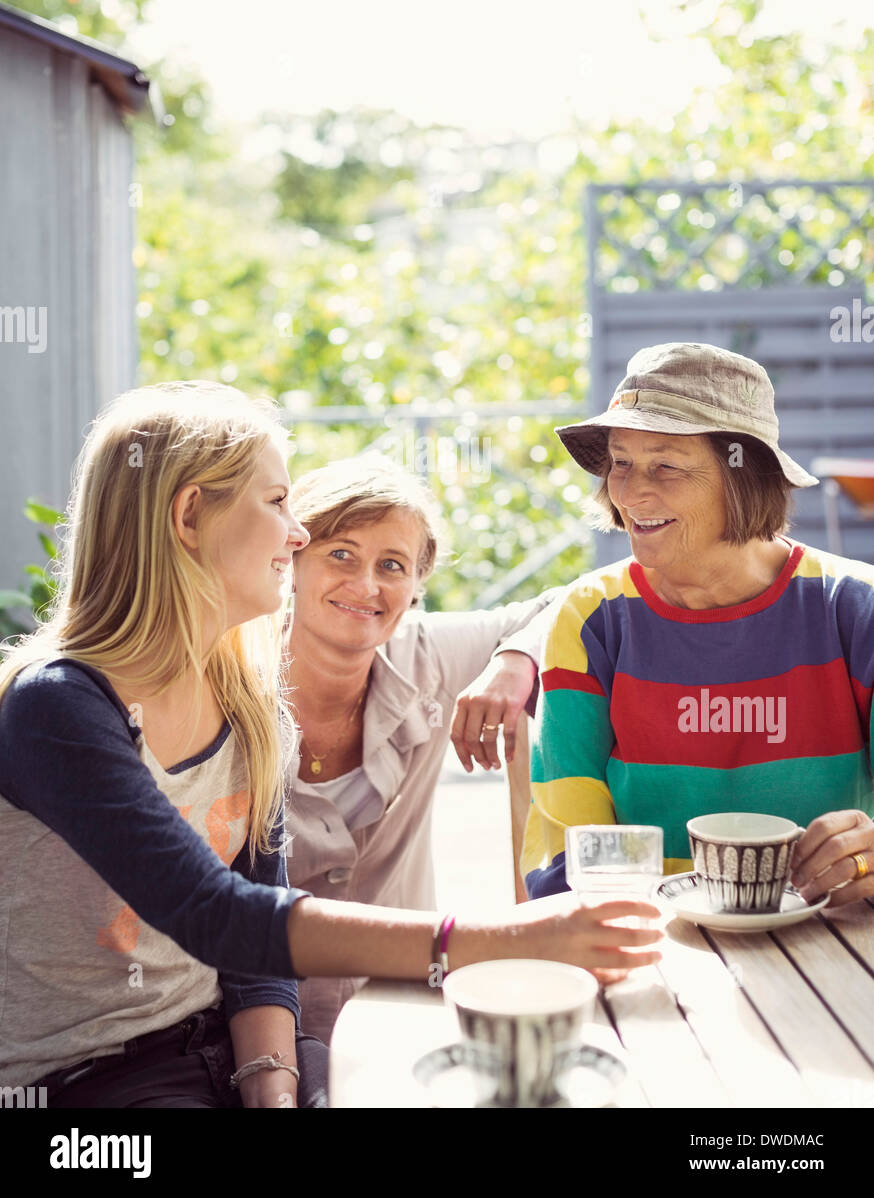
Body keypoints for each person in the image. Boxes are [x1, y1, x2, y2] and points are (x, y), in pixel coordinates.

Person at [0, 381, 662, 1109]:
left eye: (392, 565)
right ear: (190, 515)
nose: (295, 534)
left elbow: (253, 953)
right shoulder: (57, 706)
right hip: (92, 1083)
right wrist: (507, 937)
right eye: (278, 503)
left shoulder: (246, 703)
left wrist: (274, 1085)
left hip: (235, 1049)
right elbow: (220, 914)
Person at [523, 341, 874, 910]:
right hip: (652, 936)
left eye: (665, 465)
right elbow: (574, 856)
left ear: (746, 477)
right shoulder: (591, 619)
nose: (632, 492)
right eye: (620, 462)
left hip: (834, 935)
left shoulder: (856, 610)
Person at [281, 454, 565, 1043]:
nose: (366, 585)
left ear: (414, 589)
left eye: (393, 565)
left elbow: (567, 603)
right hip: (249, 1026)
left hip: (400, 1012)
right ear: (291, 561)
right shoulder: (226, 674)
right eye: (341, 554)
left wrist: (513, 663)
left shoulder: (427, 655)